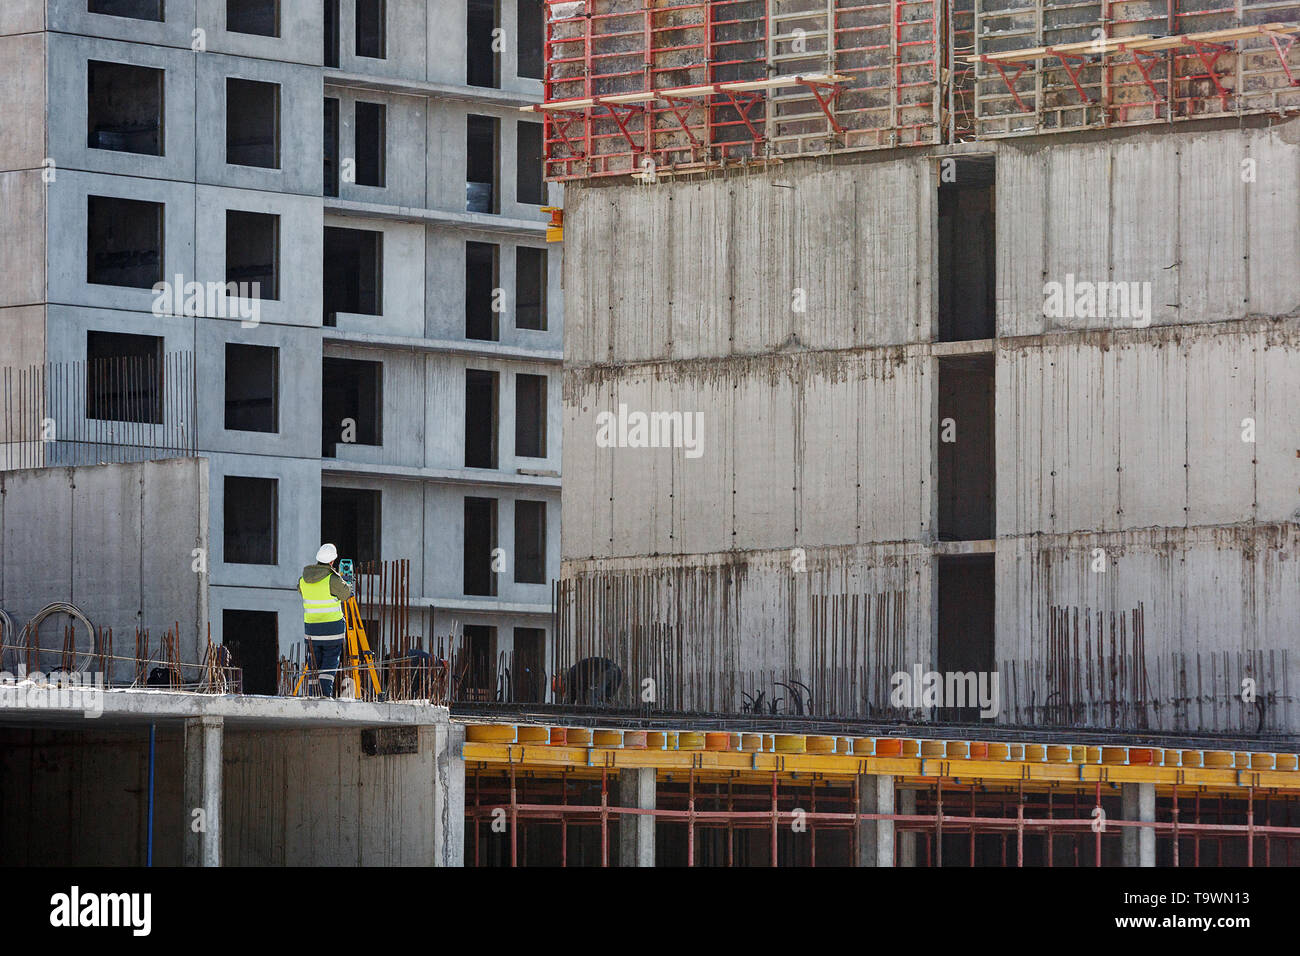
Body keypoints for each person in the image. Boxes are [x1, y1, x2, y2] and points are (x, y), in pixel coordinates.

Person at [298, 543, 352, 697]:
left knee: (314, 663)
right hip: (331, 630)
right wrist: (346, 582)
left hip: (311, 632)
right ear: (332, 562)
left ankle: (312, 693)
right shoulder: (332, 579)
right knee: (329, 662)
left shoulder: (303, 579)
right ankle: (324, 694)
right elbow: (346, 594)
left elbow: (301, 590)